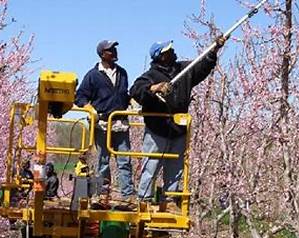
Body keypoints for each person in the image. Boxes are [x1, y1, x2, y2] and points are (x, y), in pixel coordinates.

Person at [129, 36, 227, 213]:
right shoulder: (150, 76)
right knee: (150, 166)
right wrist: (155, 88)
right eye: (168, 50)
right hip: (157, 129)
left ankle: (171, 199)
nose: (173, 51)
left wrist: (213, 51)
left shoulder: (184, 69)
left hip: (178, 129)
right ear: (161, 56)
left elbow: (202, 67)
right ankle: (144, 200)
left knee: (175, 168)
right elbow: (136, 90)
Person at [75, 39, 135, 207]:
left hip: (120, 122)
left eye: (115, 49)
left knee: (125, 160)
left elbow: (123, 94)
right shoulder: (93, 75)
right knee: (102, 160)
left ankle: (127, 195)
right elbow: (80, 96)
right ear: (102, 54)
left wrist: (131, 100)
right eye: (110, 50)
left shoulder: (122, 73)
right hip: (102, 123)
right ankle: (102, 195)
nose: (114, 52)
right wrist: (89, 108)